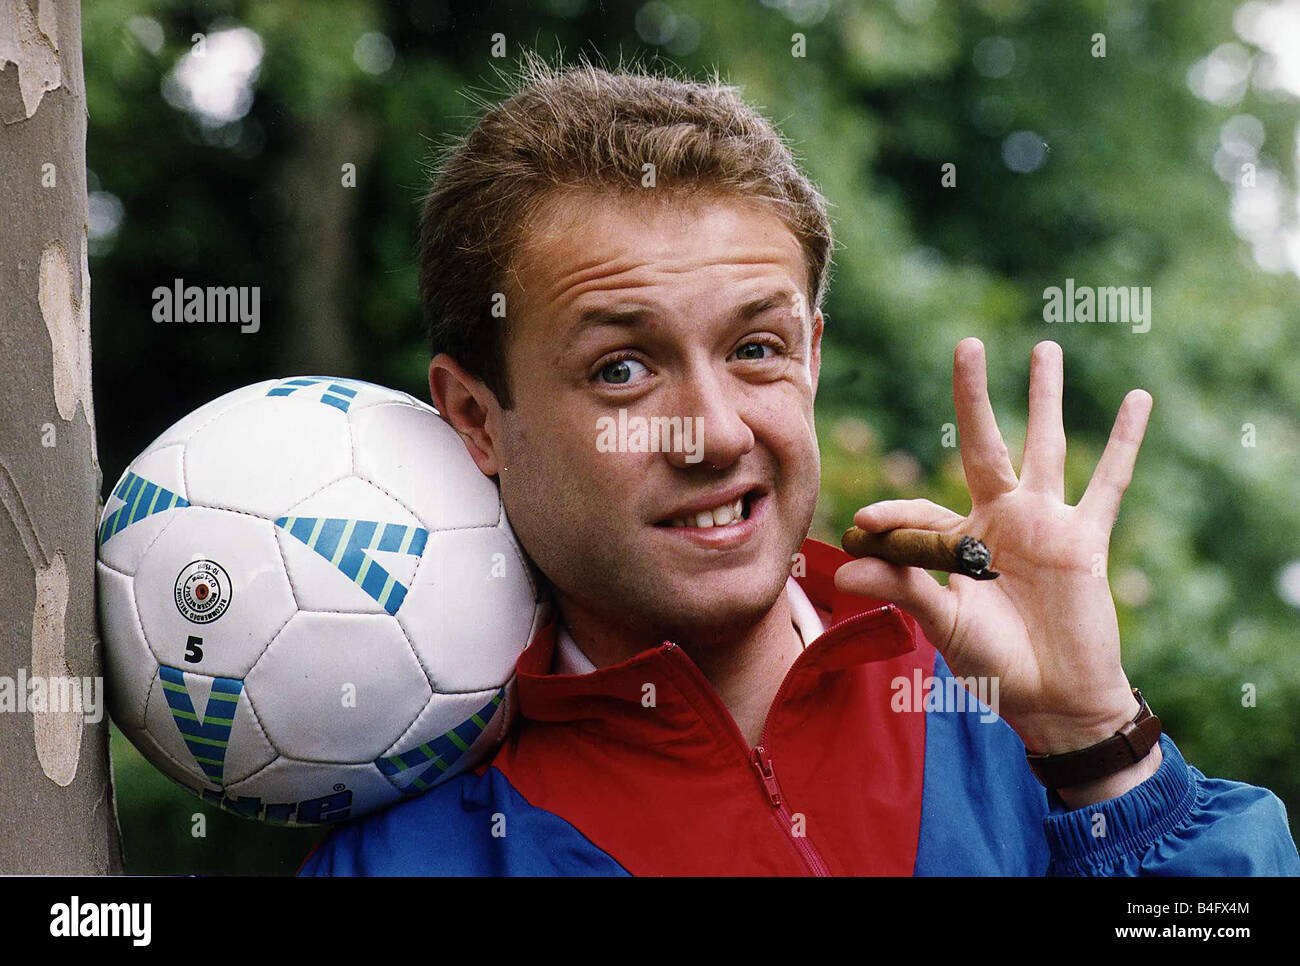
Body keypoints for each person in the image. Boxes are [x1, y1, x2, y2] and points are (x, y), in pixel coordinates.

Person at [299, 56, 1299, 876]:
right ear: (477, 417)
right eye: (622, 368)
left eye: (756, 349)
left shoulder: (1003, 724)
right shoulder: (411, 858)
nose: (720, 434)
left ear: (812, 356)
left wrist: (1095, 745)